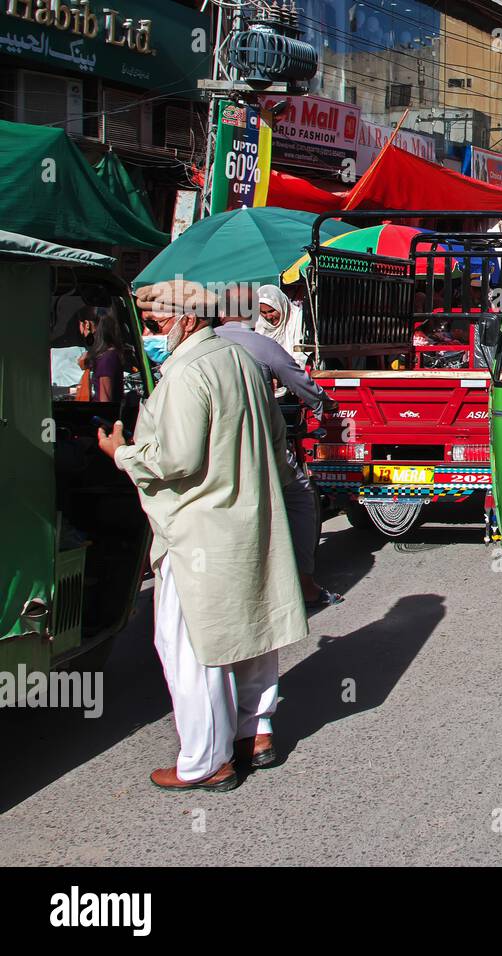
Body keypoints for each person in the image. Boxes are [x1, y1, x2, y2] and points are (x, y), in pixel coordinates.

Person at [99, 281, 307, 792]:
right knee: (250, 630)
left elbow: (177, 459)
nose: (153, 331)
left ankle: (206, 760)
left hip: (200, 531)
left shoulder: (190, 371)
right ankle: (255, 732)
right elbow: (274, 439)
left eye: (158, 321)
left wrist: (121, 453)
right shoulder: (237, 358)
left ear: (188, 320)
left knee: (191, 645)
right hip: (248, 516)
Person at [218, 286, 343, 610]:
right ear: (250, 313)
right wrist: (323, 406)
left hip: (211, 449)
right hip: (256, 445)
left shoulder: (201, 345)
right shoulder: (262, 344)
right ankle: (304, 584)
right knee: (301, 496)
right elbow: (300, 381)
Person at [78, 306, 129, 403]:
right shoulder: (108, 355)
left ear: (87, 324)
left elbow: (105, 400)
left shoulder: (106, 359)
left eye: (80, 324)